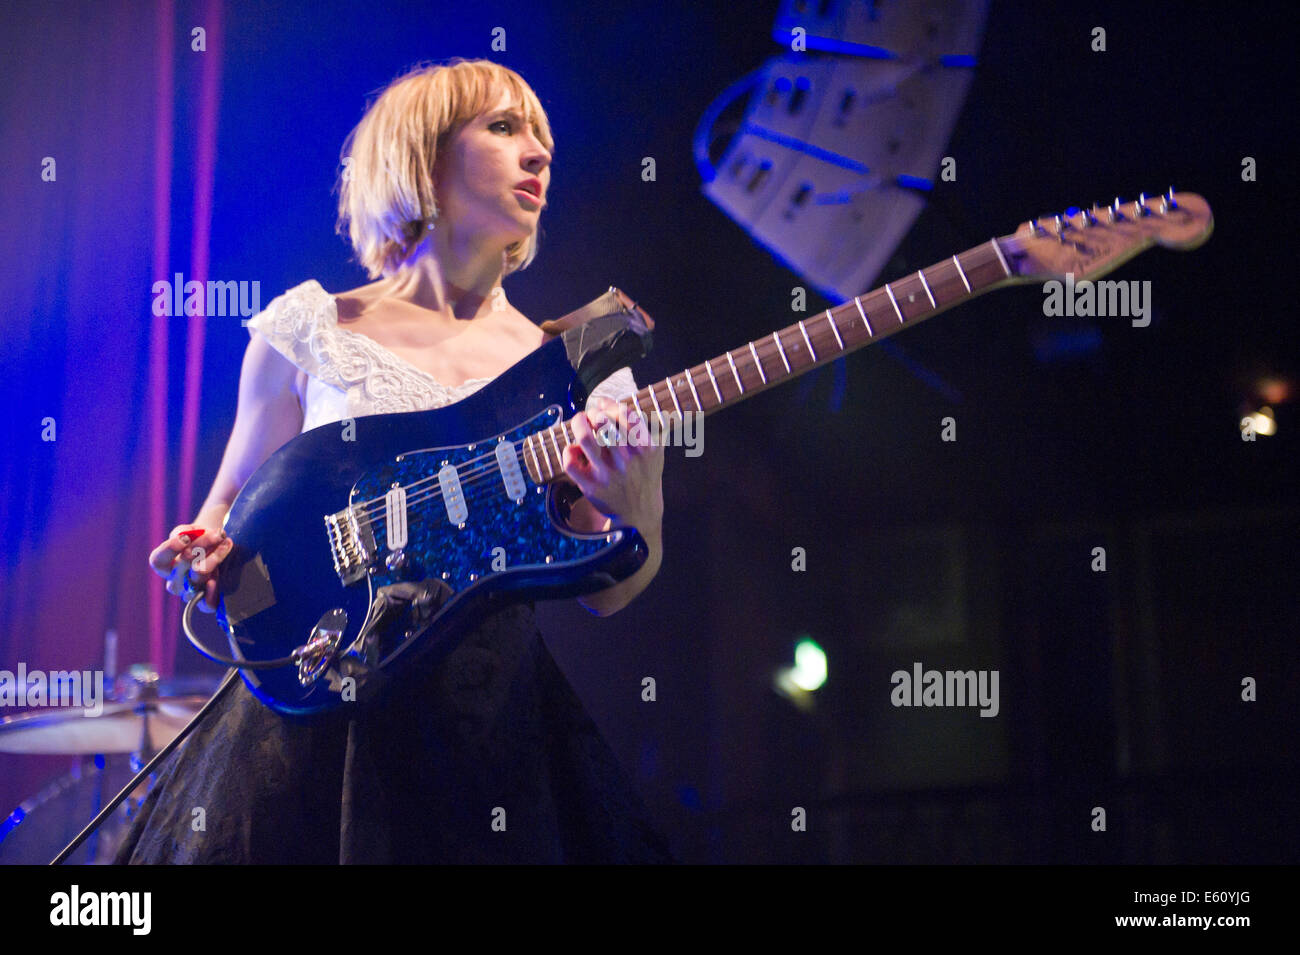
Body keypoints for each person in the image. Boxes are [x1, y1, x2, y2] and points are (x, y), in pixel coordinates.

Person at [115, 58, 675, 863]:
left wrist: (641, 503)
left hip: (488, 728)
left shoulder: (572, 364)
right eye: (506, 127)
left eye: (545, 137)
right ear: (423, 154)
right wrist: (200, 552)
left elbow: (611, 590)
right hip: (308, 724)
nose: (540, 153)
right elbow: (231, 502)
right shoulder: (307, 328)